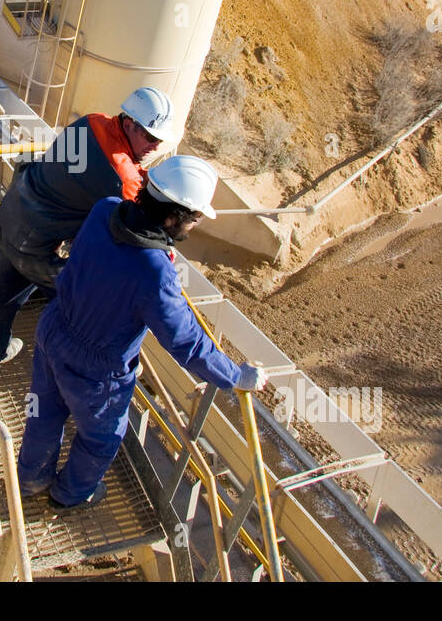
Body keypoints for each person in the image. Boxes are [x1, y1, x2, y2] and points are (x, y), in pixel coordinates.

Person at [16, 155, 268, 509]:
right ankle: (68, 496)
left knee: (43, 411)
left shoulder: (105, 209)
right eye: (194, 219)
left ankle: (30, 480)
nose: (194, 227)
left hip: (54, 328)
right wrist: (235, 376)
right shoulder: (155, 273)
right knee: (100, 438)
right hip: (95, 370)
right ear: (171, 217)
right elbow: (187, 343)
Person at [0, 86, 179, 373]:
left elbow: (91, 169)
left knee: (1, 293)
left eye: (160, 141)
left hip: (12, 212)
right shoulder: (123, 180)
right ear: (129, 125)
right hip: (35, 245)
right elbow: (139, 234)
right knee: (80, 302)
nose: (155, 146)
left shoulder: (91, 122)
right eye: (151, 137)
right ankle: (70, 372)